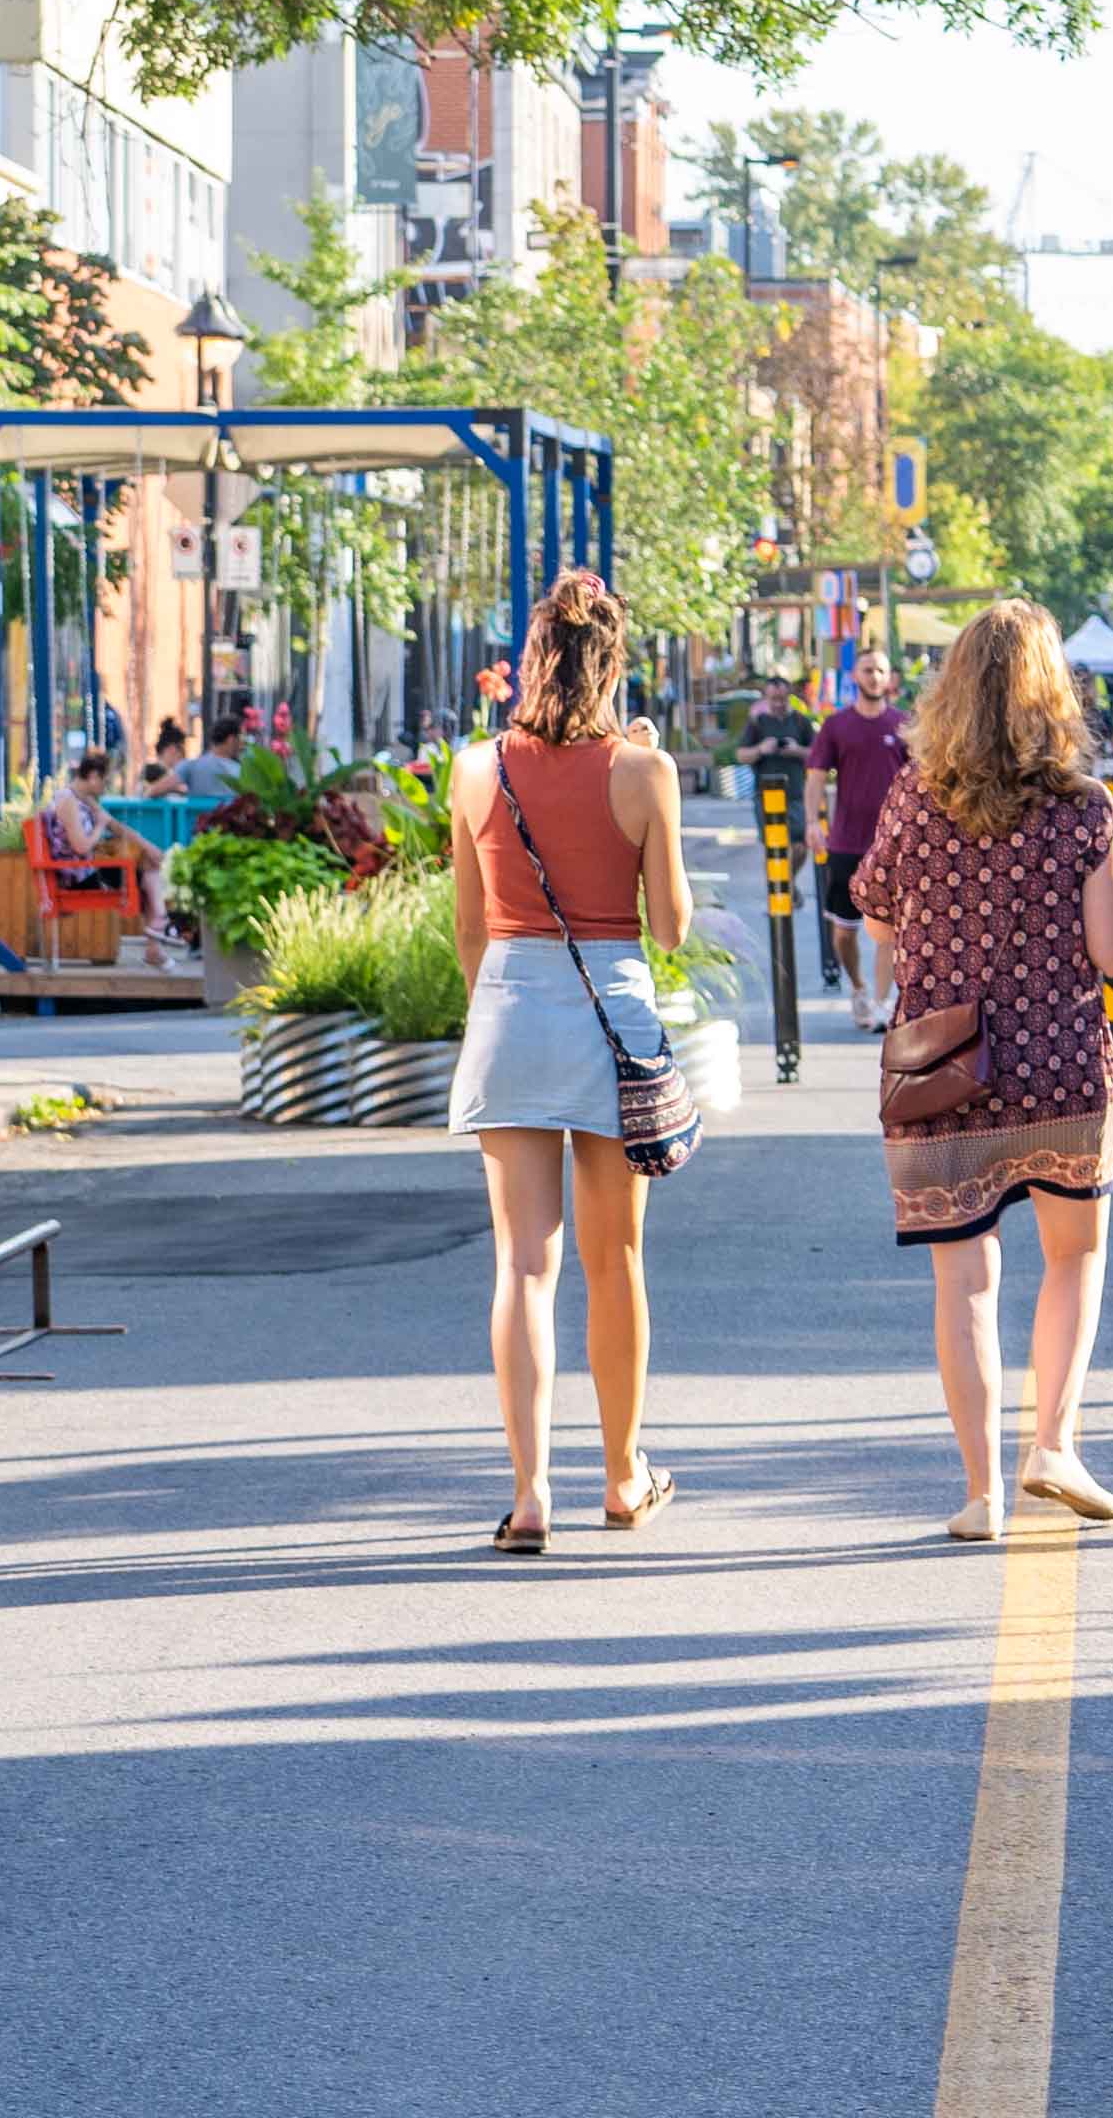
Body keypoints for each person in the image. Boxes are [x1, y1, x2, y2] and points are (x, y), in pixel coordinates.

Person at [860, 600, 1113, 1540]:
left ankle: (982, 1495)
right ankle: (1051, 1444)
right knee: (1075, 1256)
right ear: (1049, 693)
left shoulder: (909, 799)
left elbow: (880, 925)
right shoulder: (1087, 808)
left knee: (965, 1284)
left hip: (945, 1075)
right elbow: (1112, 954)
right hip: (1060, 1066)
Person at [445, 569, 696, 1553]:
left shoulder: (476, 770)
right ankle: (624, 1476)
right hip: (609, 1020)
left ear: (534, 659)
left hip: (509, 1007)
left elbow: (470, 931)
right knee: (615, 1258)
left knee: (522, 1263)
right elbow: (669, 929)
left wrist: (508, 1009)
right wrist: (649, 777)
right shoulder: (641, 773)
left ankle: (529, 1491)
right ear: (613, 662)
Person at [812, 651, 912, 1030]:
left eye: (880, 671)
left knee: (888, 929)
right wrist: (811, 820)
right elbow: (816, 775)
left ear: (890, 679)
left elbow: (919, 780)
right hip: (845, 843)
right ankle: (858, 988)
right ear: (855, 675)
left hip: (893, 845)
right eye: (868, 670)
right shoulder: (836, 726)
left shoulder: (903, 725)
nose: (874, 677)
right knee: (843, 932)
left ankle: (883, 1004)